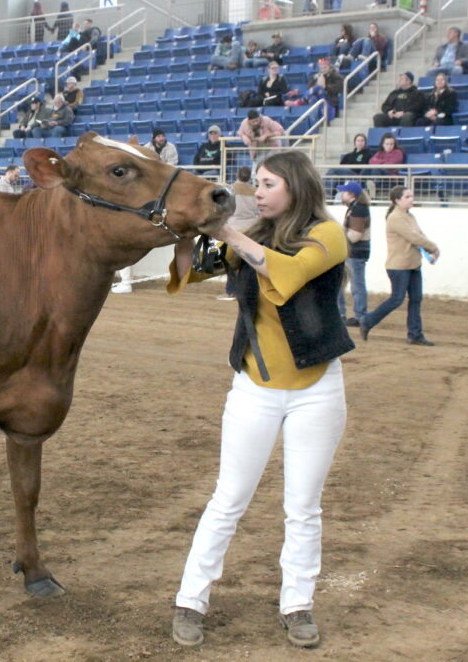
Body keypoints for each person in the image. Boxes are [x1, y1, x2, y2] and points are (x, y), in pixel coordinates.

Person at [168, 150, 352, 651]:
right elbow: (187, 274)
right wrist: (186, 232)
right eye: (258, 183)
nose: (259, 191)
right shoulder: (252, 238)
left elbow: (287, 274)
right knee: (228, 499)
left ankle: (297, 605)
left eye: (269, 183)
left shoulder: (327, 235)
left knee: (303, 507)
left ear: (296, 186)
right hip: (254, 389)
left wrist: (228, 232)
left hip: (317, 391)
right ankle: (191, 599)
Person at [358, 186, 438, 345]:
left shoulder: (409, 216)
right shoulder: (395, 218)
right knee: (397, 299)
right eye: (407, 197)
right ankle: (368, 320)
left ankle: (415, 334)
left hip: (412, 264)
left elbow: (420, 235)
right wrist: (434, 248)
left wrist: (430, 249)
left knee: (416, 299)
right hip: (399, 266)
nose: (411, 199)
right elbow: (414, 237)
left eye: (411, 196)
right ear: (397, 200)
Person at [217, 166, 261, 301]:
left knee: (231, 262)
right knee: (250, 262)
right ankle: (250, 291)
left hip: (234, 228)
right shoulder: (255, 191)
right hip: (252, 228)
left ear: (237, 175)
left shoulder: (229, 190)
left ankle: (231, 291)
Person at [337, 181, 371, 327]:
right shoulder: (357, 208)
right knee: (355, 284)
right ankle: (357, 315)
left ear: (351, 194)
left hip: (355, 252)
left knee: (356, 285)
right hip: (356, 252)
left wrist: (339, 238)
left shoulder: (358, 210)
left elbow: (355, 236)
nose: (341, 194)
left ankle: (359, 316)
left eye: (344, 192)